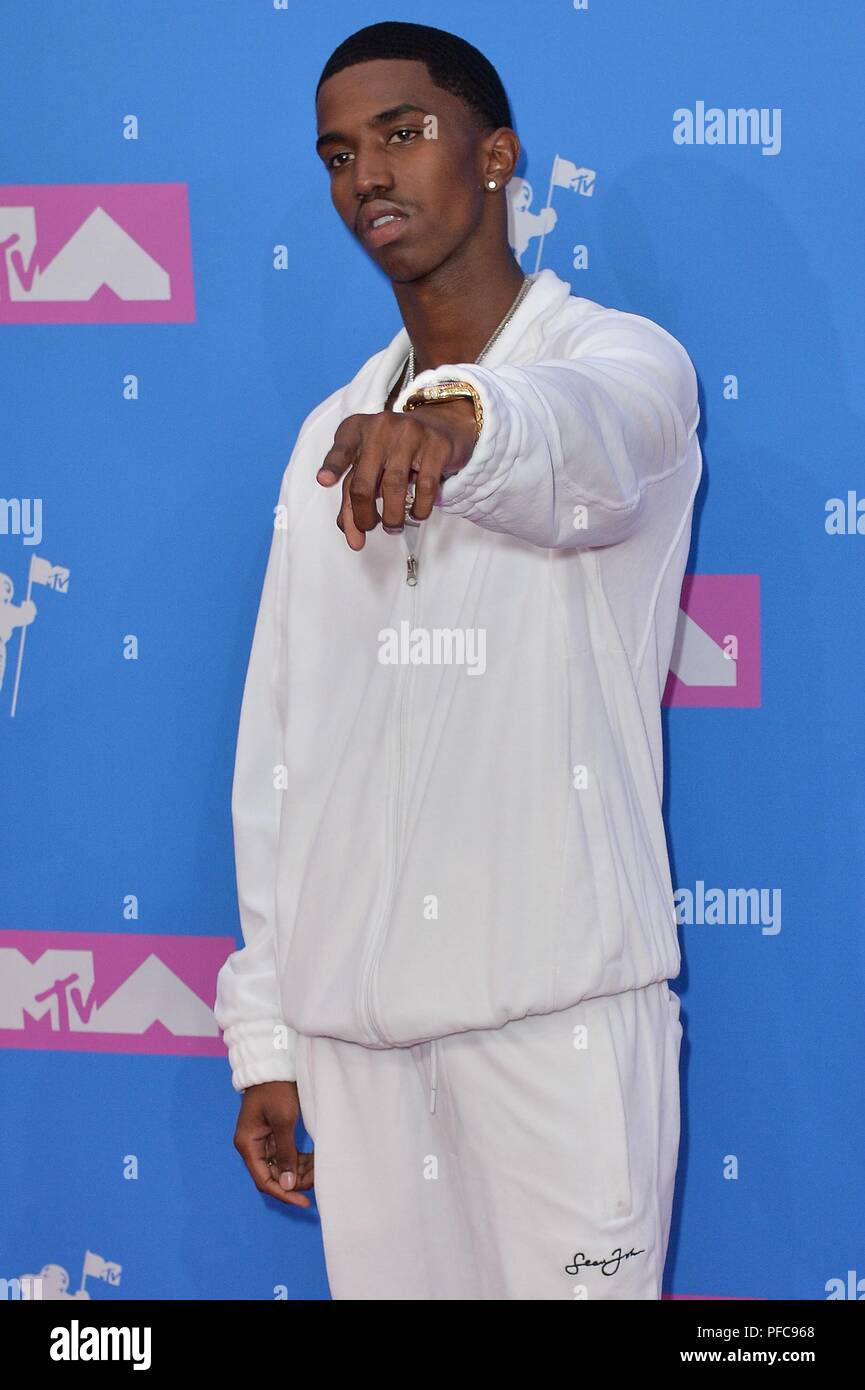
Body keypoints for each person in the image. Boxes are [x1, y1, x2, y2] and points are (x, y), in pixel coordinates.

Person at [214, 20, 702, 1301]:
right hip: (358, 1055)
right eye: (336, 153)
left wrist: (465, 414)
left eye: (402, 133)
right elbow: (282, 752)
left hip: (558, 1034)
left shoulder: (623, 364)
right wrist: (270, 1030)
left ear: (496, 157)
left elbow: (584, 448)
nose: (364, 176)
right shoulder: (329, 432)